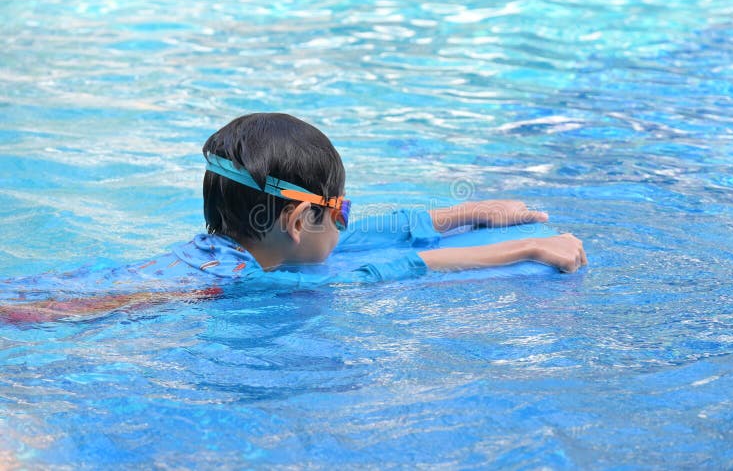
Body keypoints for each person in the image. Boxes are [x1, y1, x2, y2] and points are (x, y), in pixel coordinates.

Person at [0, 113, 586, 323]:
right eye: (343, 210)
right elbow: (405, 268)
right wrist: (526, 249)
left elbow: (371, 238)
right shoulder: (250, 279)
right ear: (300, 222)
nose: (351, 223)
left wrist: (470, 211)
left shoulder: (224, 247)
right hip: (42, 316)